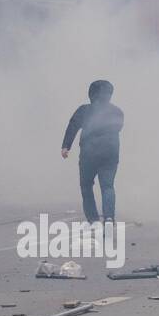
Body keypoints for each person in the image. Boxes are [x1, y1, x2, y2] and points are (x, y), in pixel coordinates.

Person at [61, 79, 124, 222]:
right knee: (107, 186)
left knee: (86, 186)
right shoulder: (118, 112)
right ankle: (108, 218)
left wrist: (66, 146)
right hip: (111, 152)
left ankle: (93, 220)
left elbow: (73, 127)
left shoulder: (84, 110)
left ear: (91, 94)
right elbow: (119, 127)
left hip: (89, 153)